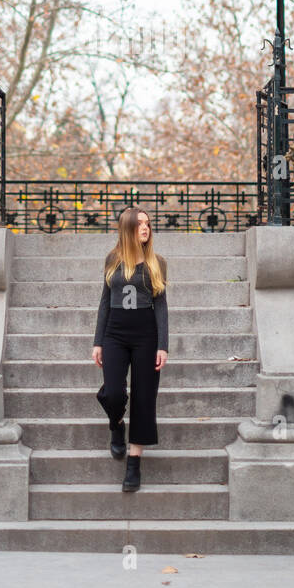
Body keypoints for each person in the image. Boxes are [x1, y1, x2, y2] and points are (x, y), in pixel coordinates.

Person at [91, 206, 168, 491]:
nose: (145, 229)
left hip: (146, 334)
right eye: (139, 225)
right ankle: (116, 423)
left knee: (144, 398)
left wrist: (163, 345)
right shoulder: (112, 259)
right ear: (127, 230)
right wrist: (98, 341)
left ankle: (134, 464)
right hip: (115, 334)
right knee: (112, 392)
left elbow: (161, 305)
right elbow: (104, 301)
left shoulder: (157, 262)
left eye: (148, 224)